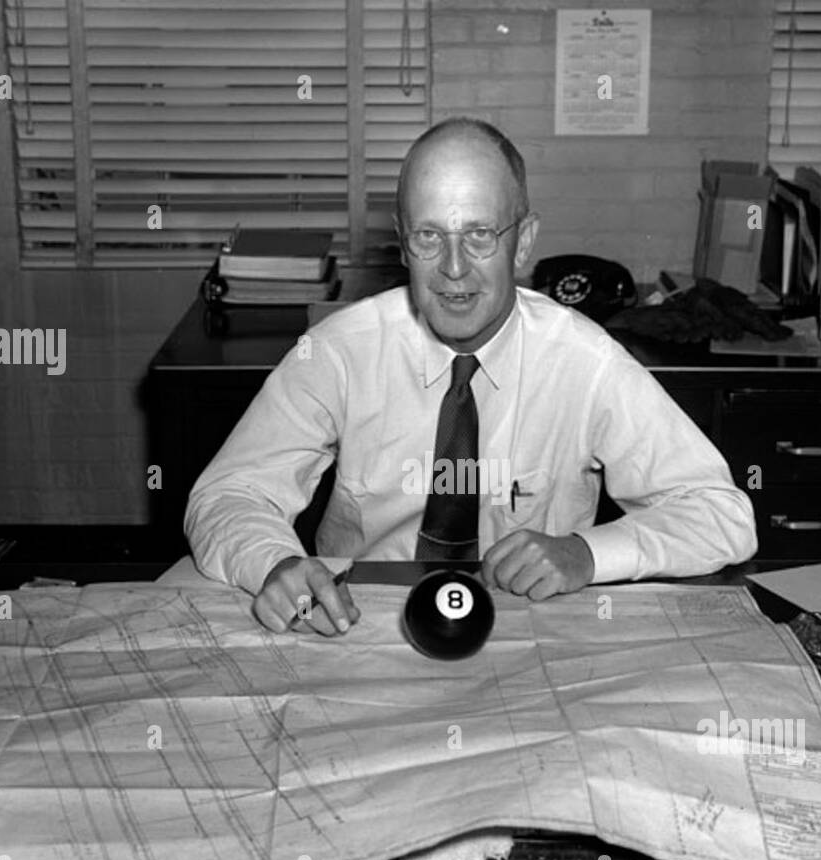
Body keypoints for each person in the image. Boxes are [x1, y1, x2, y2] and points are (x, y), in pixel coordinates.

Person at [186, 117, 757, 636]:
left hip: (530, 628)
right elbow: (227, 495)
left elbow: (721, 515)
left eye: (480, 235)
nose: (453, 269)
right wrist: (277, 563)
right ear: (402, 243)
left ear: (524, 241)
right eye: (429, 236)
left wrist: (585, 554)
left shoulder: (587, 361)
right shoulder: (337, 352)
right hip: (361, 623)